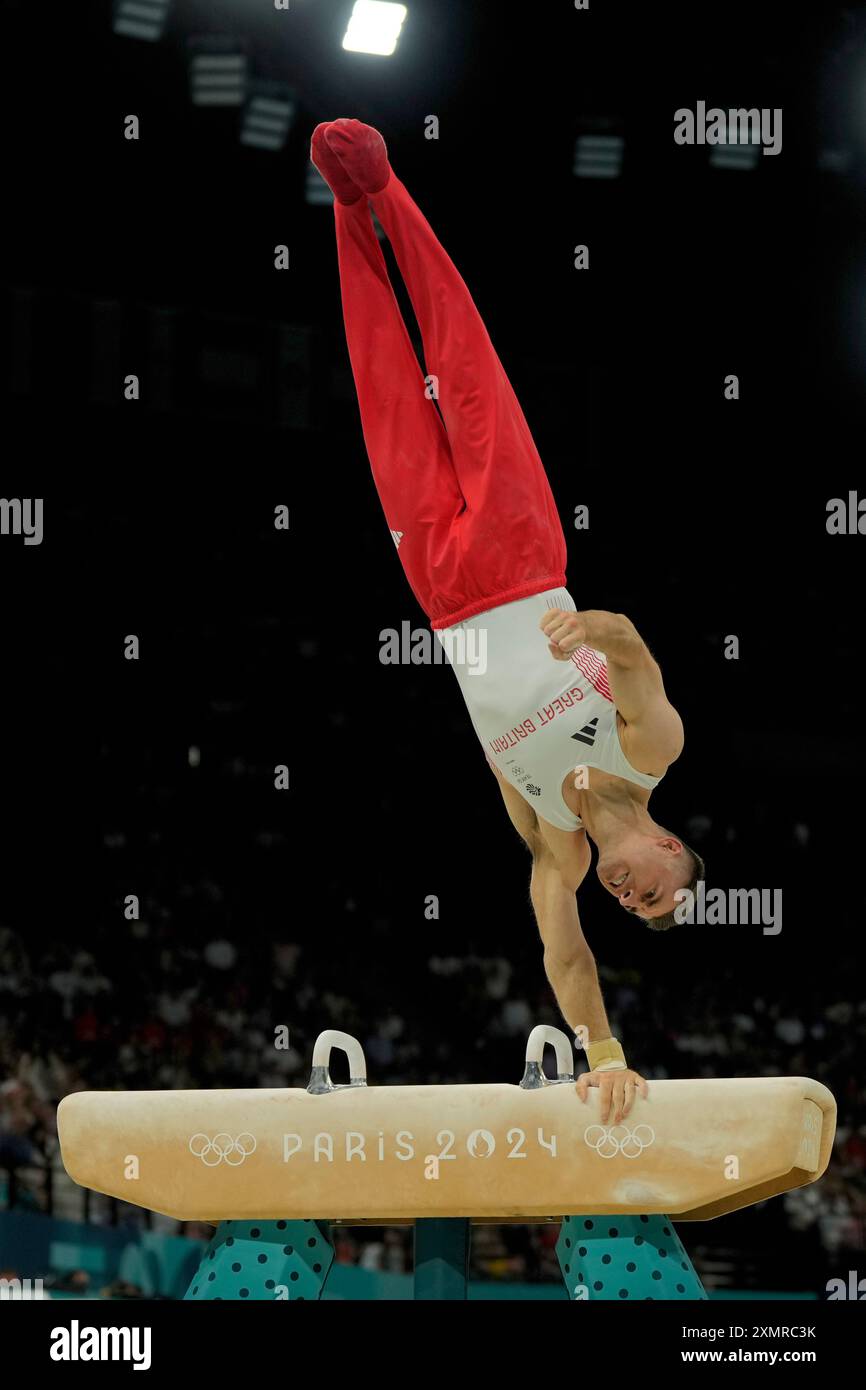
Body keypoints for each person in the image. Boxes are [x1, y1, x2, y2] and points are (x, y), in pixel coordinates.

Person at [311, 119, 704, 1120]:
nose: (632, 900)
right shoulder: (651, 745)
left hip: (441, 592)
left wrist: (602, 1048)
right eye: (653, 893)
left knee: (385, 389)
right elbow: (632, 650)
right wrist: (594, 631)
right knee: (462, 359)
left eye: (637, 913)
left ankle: (345, 214)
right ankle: (384, 188)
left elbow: (559, 950)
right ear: (666, 853)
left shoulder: (552, 845)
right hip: (525, 557)